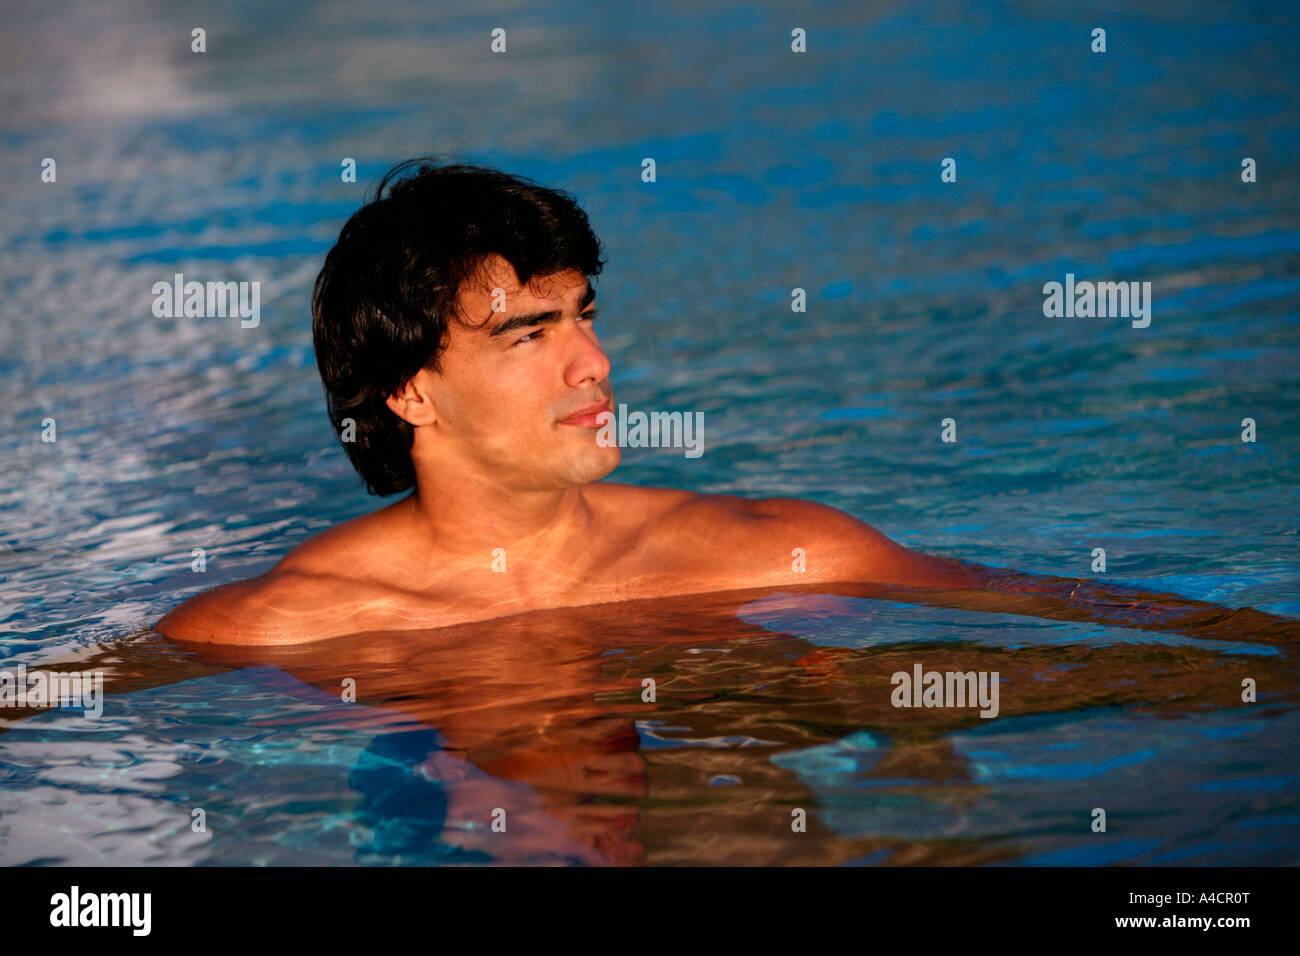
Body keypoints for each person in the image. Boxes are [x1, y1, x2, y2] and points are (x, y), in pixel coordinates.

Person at [149, 159, 1269, 647]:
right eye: (529, 334)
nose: (591, 362)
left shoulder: (780, 552)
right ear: (411, 390)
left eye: (584, 315)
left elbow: (1102, 623)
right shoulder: (276, 628)